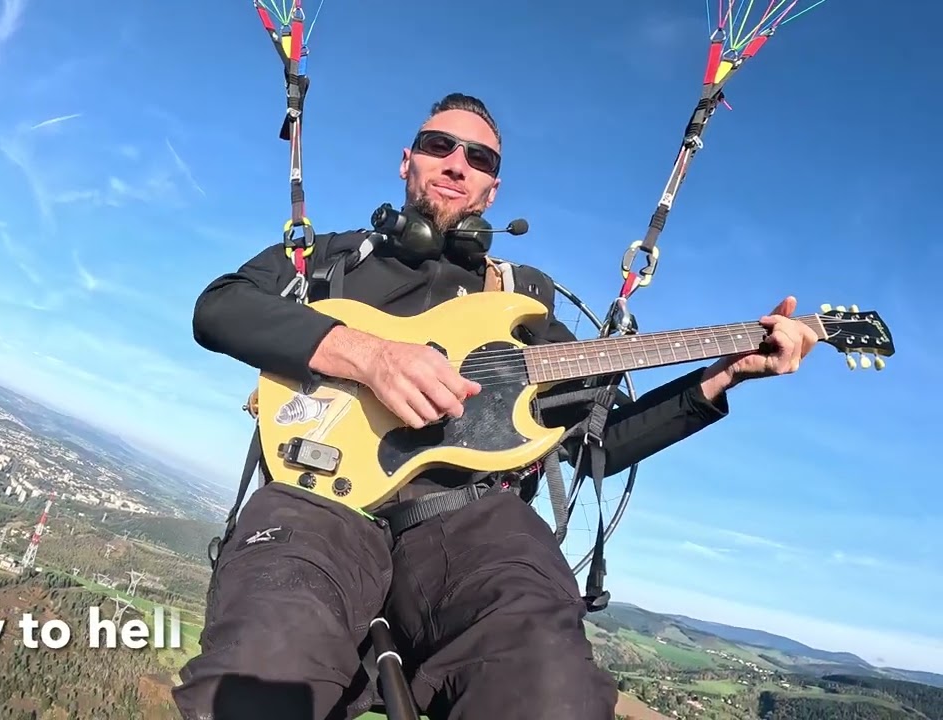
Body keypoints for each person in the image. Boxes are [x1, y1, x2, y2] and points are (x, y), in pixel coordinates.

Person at [171, 92, 818, 720]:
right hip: (319, 500)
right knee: (262, 669)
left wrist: (720, 378)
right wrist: (362, 352)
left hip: (472, 522)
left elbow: (600, 444)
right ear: (407, 160)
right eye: (438, 145)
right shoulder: (328, 260)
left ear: (493, 190)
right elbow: (220, 307)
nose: (457, 163)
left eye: (479, 158)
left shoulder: (522, 306)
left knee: (548, 684)